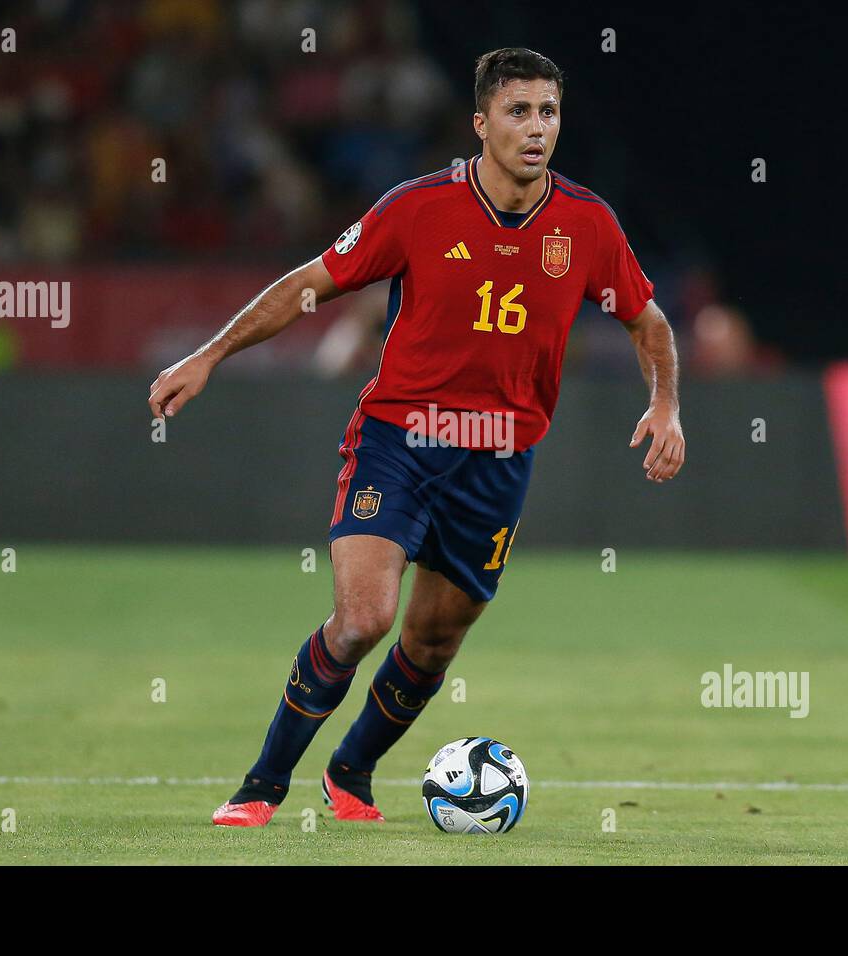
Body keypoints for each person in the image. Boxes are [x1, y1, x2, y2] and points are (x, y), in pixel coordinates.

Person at [147, 48, 686, 827]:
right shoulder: (419, 208)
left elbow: (649, 319)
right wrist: (212, 352)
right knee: (364, 618)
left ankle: (351, 772)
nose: (537, 129)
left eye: (549, 112)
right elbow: (309, 283)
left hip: (499, 461)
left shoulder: (588, 224)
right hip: (400, 442)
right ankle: (262, 785)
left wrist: (664, 403)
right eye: (519, 112)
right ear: (481, 123)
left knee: (433, 641)